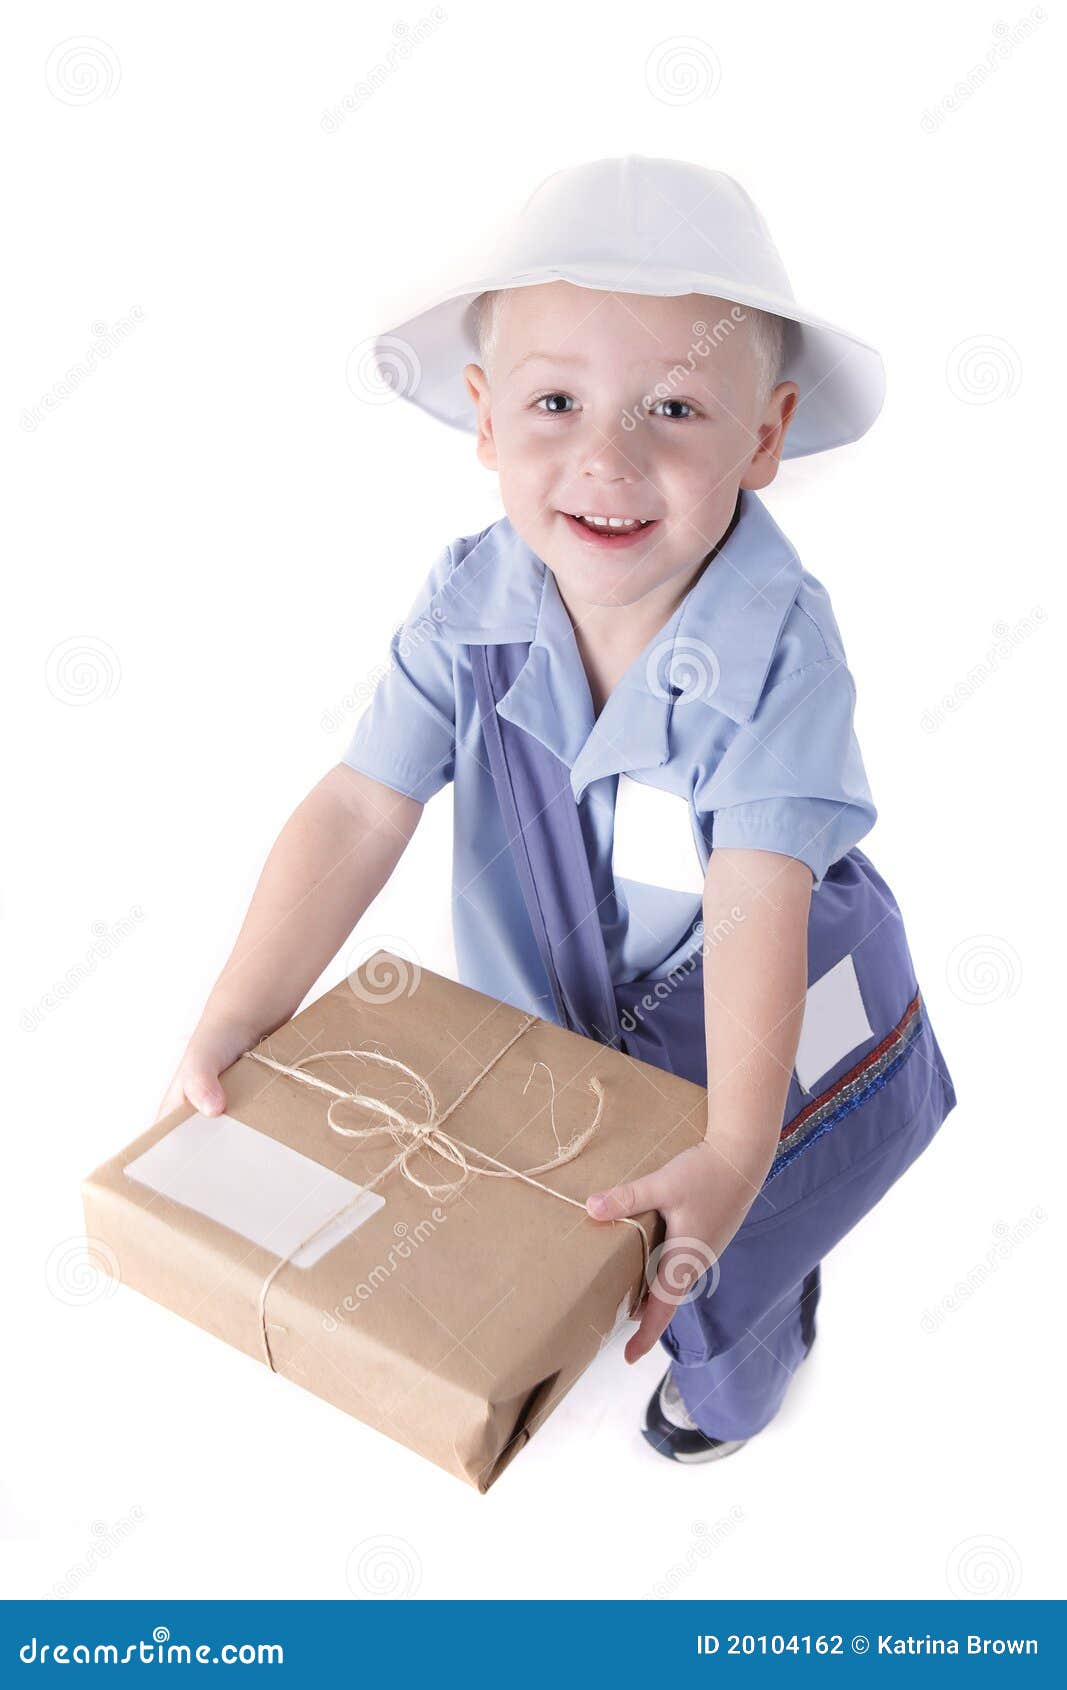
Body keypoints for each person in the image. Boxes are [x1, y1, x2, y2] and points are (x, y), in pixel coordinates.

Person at [157, 156, 956, 1465]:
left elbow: (759, 885)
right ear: (483, 418)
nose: (607, 457)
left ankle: (748, 1367)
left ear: (764, 437)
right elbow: (363, 804)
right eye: (556, 400)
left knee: (735, 1228)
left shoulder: (775, 655)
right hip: (562, 1021)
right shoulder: (473, 605)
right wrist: (244, 1005)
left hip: (744, 1007)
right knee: (571, 1206)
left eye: (677, 408)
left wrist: (737, 1144)